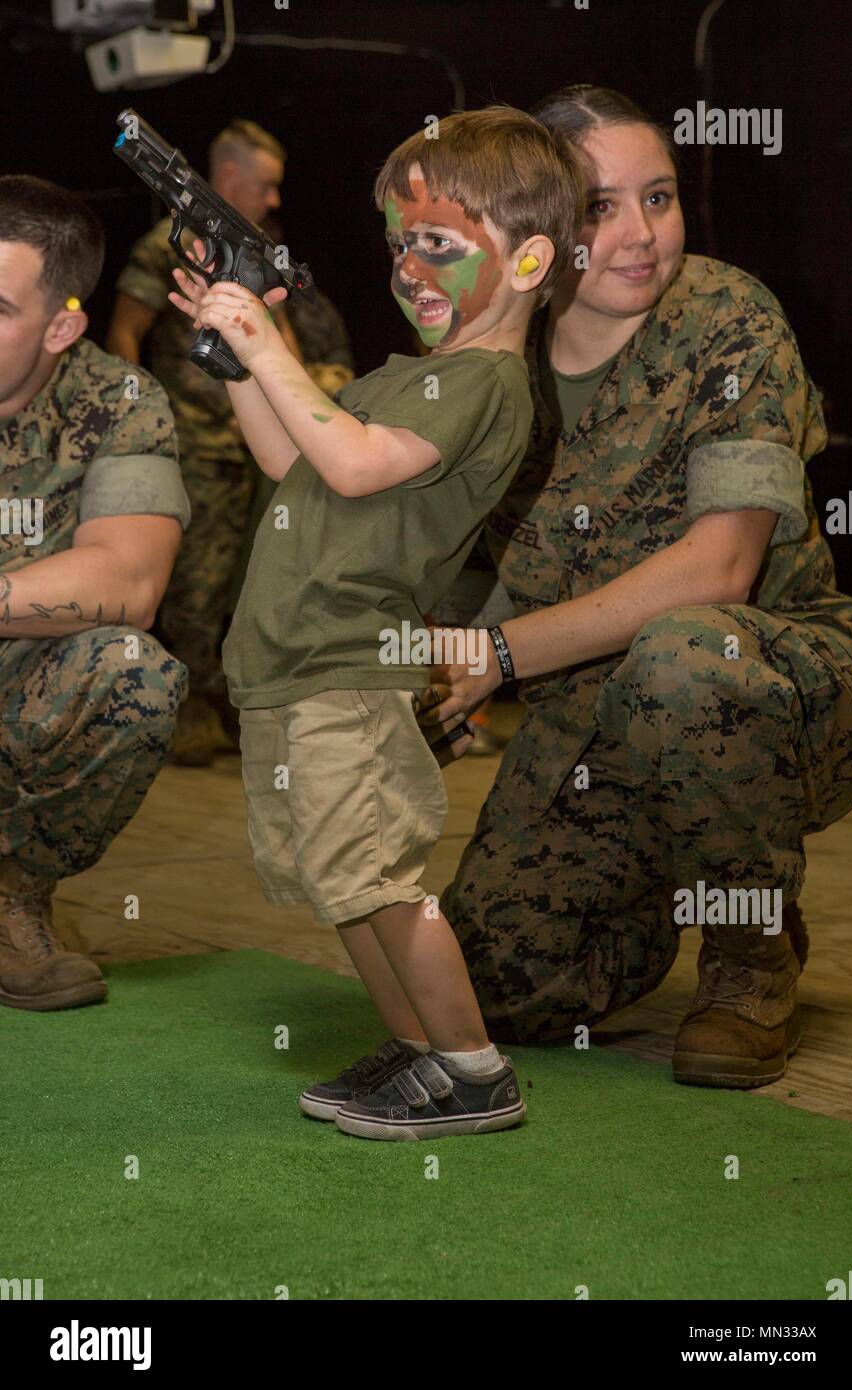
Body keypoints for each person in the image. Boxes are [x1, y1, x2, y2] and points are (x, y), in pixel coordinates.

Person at [418, 86, 852, 1089]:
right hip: (596, 713)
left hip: (777, 682)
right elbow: (456, 574)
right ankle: (687, 865)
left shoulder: (724, 318)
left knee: (683, 657)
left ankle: (749, 951)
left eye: (656, 199)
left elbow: (721, 568)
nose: (637, 235)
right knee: (496, 981)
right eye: (597, 208)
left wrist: (492, 660)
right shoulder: (492, 363)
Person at [170, 107, 583, 1139]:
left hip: (348, 669)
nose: (409, 265)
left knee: (385, 884)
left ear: (529, 259)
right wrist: (237, 364)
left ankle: (474, 1069)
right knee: (341, 882)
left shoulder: (481, 381)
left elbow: (352, 461)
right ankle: (418, 1052)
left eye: (439, 243)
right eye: (401, 243)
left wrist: (271, 347)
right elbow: (292, 457)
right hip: (291, 666)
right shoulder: (409, 376)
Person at [107, 120, 353, 766]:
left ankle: (219, 700)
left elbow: (283, 353)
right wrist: (137, 423)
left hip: (256, 442)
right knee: (194, 584)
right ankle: (183, 709)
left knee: (238, 581)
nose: (274, 200)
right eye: (265, 186)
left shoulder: (254, 250)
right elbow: (125, 331)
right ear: (229, 181)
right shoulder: (167, 244)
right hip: (194, 440)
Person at [0, 176, 190, 1010]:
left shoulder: (117, 400)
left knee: (134, 671)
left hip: (19, 684)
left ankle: (10, 896)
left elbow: (131, 578)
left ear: (61, 326)